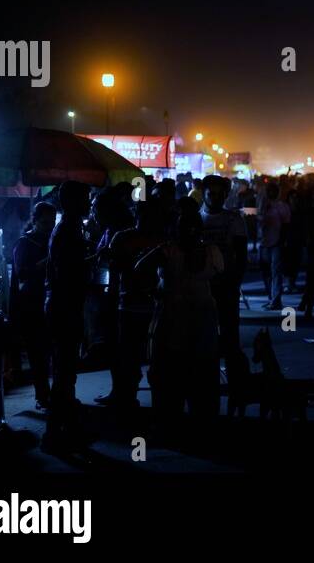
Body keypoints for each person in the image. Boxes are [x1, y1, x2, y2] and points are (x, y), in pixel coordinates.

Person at [138, 199, 224, 430]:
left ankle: (173, 419)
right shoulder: (211, 252)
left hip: (175, 315)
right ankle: (200, 419)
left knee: (172, 368)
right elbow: (221, 280)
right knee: (200, 368)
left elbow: (139, 268)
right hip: (201, 314)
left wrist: (154, 290)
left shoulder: (168, 250)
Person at [98, 198, 167, 409]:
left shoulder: (161, 240)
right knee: (128, 354)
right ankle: (125, 396)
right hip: (128, 302)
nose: (146, 219)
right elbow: (111, 269)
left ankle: (151, 399)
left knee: (153, 355)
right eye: (143, 214)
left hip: (153, 304)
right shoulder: (123, 237)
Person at [43, 181, 93, 452]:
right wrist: (91, 259)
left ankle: (66, 430)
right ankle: (53, 435)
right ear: (72, 202)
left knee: (66, 373)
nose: (89, 202)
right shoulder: (66, 230)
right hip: (63, 308)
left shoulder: (70, 227)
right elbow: (67, 272)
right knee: (64, 373)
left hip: (63, 306)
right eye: (86, 197)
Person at [199, 175, 249, 389]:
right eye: (212, 194)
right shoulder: (195, 218)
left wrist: (235, 281)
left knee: (230, 336)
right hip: (201, 286)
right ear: (205, 194)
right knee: (203, 337)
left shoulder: (234, 219)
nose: (216, 198)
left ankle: (236, 383)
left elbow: (242, 255)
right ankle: (206, 382)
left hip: (226, 285)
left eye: (220, 194)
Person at [11, 202, 56, 411]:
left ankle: (52, 393)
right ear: (35, 220)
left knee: (49, 350)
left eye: (52, 223)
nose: (49, 226)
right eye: (45, 222)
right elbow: (22, 272)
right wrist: (46, 262)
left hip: (50, 300)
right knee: (37, 353)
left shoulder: (52, 239)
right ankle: (42, 395)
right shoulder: (25, 242)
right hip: (31, 303)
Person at [259, 181, 291, 310]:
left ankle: (276, 299)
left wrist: (282, 241)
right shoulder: (262, 205)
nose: (270, 193)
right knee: (266, 272)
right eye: (269, 190)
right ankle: (271, 298)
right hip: (264, 242)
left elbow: (286, 225)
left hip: (276, 243)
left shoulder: (282, 206)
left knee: (276, 272)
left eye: (273, 190)